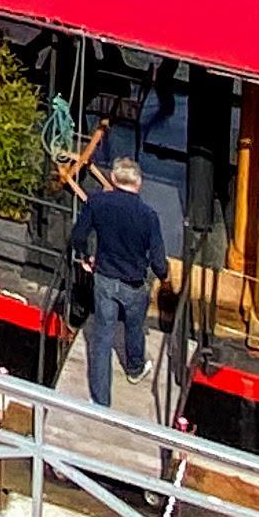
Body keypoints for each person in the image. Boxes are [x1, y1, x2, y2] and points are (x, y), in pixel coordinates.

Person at [66, 156, 173, 411]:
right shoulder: (148, 215)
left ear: (113, 179)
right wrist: (164, 276)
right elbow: (158, 258)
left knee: (102, 337)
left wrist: (85, 258)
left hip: (104, 278)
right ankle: (135, 368)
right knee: (135, 327)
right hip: (134, 283)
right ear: (140, 183)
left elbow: (78, 235)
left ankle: (101, 401)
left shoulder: (98, 202)